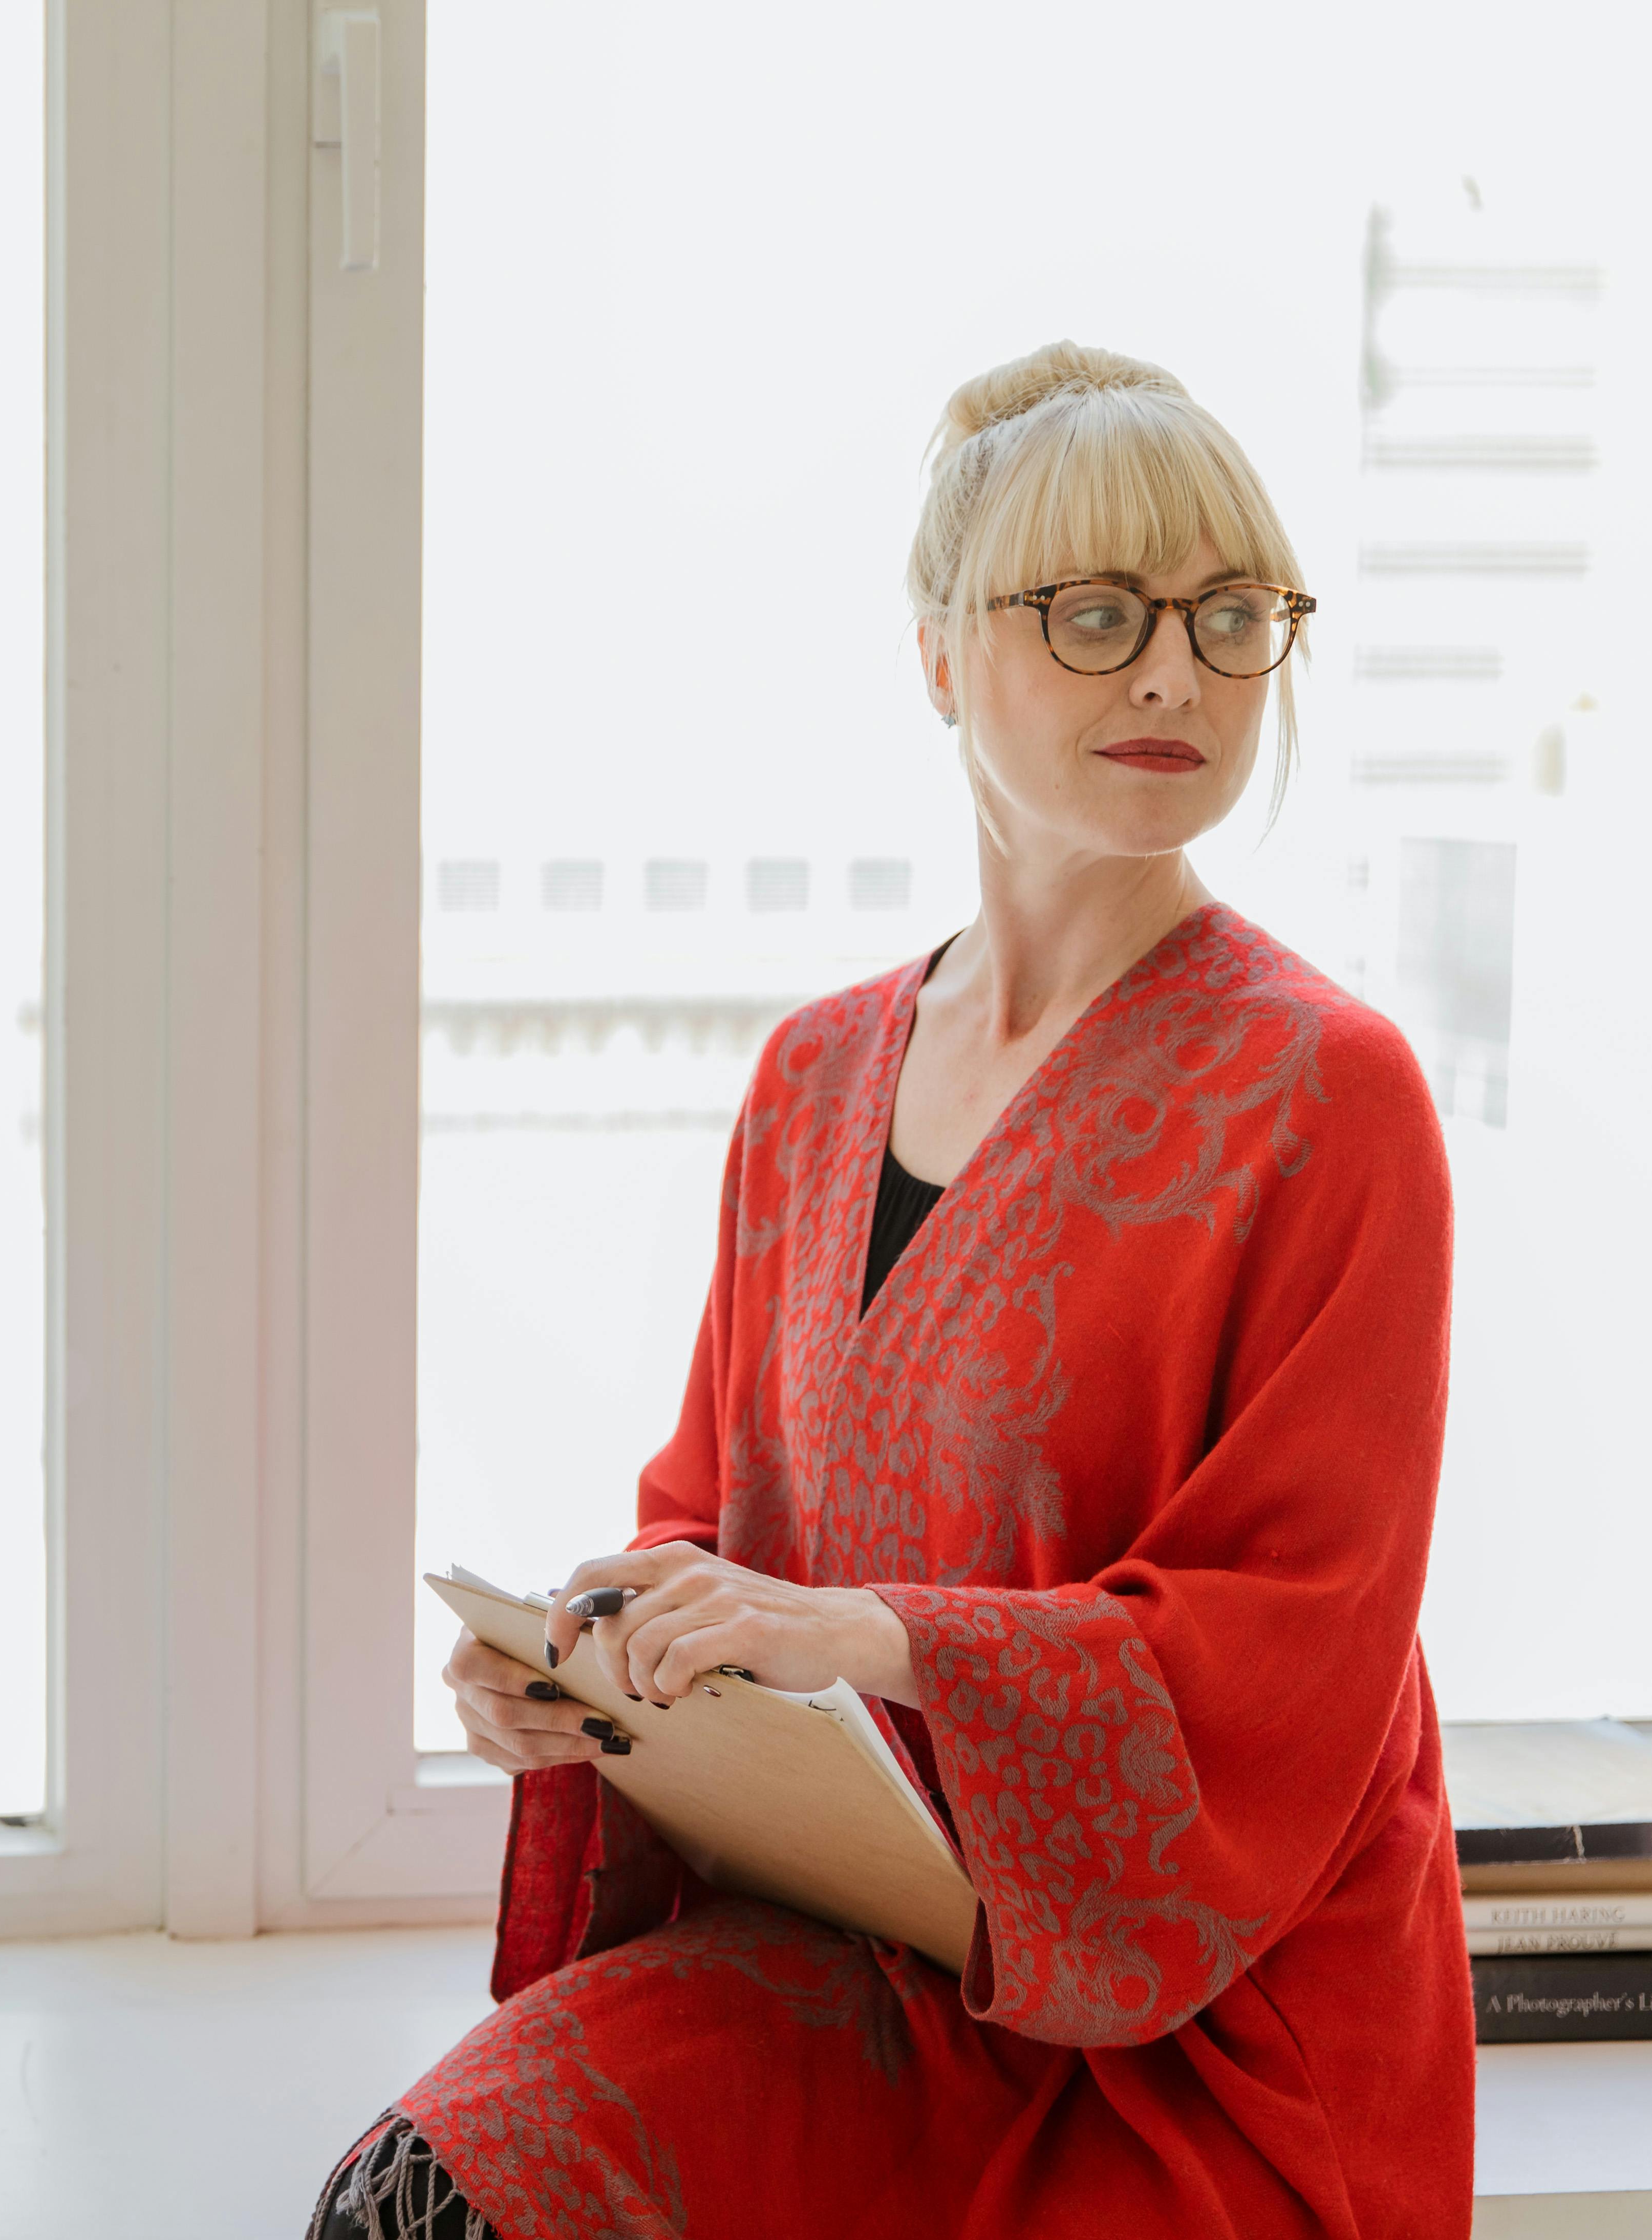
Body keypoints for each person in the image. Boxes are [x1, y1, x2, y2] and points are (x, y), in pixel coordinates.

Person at [311, 342, 1474, 2240]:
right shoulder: (811, 1079)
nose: (1171, 672)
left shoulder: (1328, 1095)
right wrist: (586, 1669)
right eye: (1092, 614)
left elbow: (1290, 1644)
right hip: (850, 1943)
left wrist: (876, 1639)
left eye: (1231, 616)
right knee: (429, 2196)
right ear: (938, 653)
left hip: (1192, 2023)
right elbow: (710, 1521)